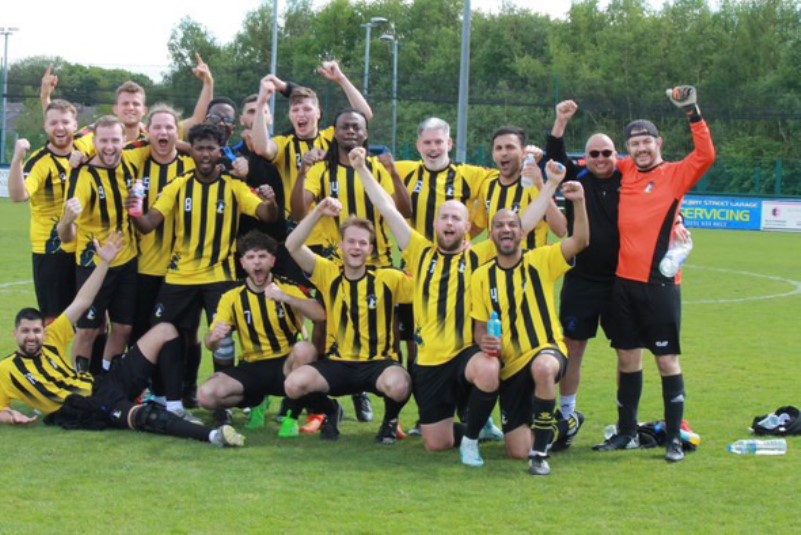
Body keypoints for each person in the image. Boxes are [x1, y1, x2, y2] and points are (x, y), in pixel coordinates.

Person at [349, 146, 561, 460]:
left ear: (466, 227)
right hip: (431, 361)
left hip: (466, 354)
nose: (449, 223)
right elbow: (387, 208)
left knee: (489, 368)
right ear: (435, 225)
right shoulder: (419, 251)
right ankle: (477, 429)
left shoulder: (480, 254)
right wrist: (361, 169)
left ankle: (473, 437)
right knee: (436, 443)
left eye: (456, 218)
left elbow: (526, 222)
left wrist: (551, 185)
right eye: (444, 217)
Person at [0, 232, 244, 448]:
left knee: (166, 330)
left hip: (101, 383)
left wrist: (104, 263)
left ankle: (173, 405)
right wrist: (9, 416)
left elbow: (82, 302)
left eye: (35, 331)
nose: (32, 337)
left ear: (43, 331)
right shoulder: (6, 369)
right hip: (85, 406)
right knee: (147, 418)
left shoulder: (51, 338)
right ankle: (213, 435)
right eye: (25, 332)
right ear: (15, 335)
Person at [593, 86, 716, 463]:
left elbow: (706, 154)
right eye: (635, 143)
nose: (641, 148)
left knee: (667, 361)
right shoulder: (625, 168)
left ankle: (674, 438)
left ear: (659, 143)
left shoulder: (676, 175)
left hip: (660, 286)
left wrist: (692, 112)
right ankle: (627, 432)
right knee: (627, 359)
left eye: (647, 142)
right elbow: (593, 161)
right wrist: (541, 155)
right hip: (624, 285)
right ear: (628, 149)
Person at [130, 123, 278, 426]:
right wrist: (133, 212)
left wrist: (271, 201)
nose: (206, 154)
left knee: (223, 338)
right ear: (192, 151)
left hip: (219, 276)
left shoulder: (234, 186)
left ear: (219, 152)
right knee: (168, 334)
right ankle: (173, 404)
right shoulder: (179, 185)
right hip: (180, 276)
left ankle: (221, 403)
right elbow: (149, 224)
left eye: (212, 148)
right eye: (200, 148)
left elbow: (266, 215)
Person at [470, 161, 590, 476]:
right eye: (499, 226)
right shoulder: (482, 276)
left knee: (543, 367)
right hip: (510, 367)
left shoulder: (542, 260)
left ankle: (540, 454)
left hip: (546, 350)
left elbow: (579, 242)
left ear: (522, 232)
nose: (506, 230)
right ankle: (565, 425)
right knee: (514, 451)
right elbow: (479, 327)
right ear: (491, 234)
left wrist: (577, 202)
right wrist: (483, 339)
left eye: (512, 225)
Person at [283, 198, 414, 444]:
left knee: (400, 384)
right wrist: (318, 213)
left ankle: (390, 421)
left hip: (378, 363)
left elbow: (429, 282)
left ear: (371, 250)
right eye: (351, 242)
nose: (356, 247)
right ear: (341, 246)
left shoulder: (389, 278)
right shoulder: (327, 272)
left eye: (362, 243)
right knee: (293, 384)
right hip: (339, 364)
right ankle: (331, 411)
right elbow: (292, 245)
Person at [544, 100, 622, 444]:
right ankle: (566, 416)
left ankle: (626, 422)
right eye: (594, 153)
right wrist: (561, 121)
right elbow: (554, 158)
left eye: (607, 153)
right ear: (585, 157)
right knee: (574, 349)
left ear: (616, 154)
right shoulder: (578, 176)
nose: (601, 159)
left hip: (623, 281)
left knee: (627, 352)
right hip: (582, 281)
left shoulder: (629, 178)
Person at [198, 230, 326, 437]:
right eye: (251, 257)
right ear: (243, 264)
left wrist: (286, 298)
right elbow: (210, 345)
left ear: (272, 261)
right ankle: (256, 400)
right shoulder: (232, 297)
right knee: (206, 395)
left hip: (285, 365)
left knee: (305, 349)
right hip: (252, 367)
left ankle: (291, 417)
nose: (257, 263)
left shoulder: (287, 287)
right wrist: (213, 338)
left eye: (262, 257)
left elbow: (320, 315)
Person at [56, 116, 140, 374]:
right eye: (103, 140)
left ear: (124, 141)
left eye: (115, 140)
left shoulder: (131, 160)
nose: (110, 146)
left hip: (127, 260)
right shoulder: (84, 175)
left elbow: (172, 140)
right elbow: (65, 235)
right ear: (94, 142)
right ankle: (78, 384)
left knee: (124, 327)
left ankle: (108, 380)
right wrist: (68, 219)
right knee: (88, 329)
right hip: (94, 265)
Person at [7, 99, 80, 324]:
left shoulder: (85, 147)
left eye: (65, 122)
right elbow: (18, 196)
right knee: (53, 322)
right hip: (51, 251)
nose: (60, 127)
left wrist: (46, 96)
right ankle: (51, 360)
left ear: (76, 125)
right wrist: (18, 158)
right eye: (53, 123)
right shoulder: (38, 163)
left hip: (85, 247)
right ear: (45, 127)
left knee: (93, 322)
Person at [40, 54, 214, 146]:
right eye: (125, 103)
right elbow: (61, 130)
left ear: (144, 110)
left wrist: (208, 83)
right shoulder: (97, 133)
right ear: (115, 109)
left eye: (136, 104)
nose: (130, 107)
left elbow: (198, 120)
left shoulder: (156, 133)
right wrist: (45, 97)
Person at [473, 126, 568, 248]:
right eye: (498, 148)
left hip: (530, 264)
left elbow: (561, 230)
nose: (503, 153)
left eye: (510, 147)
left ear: (523, 153)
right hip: (494, 264)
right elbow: (479, 225)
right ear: (493, 154)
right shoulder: (488, 185)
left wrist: (539, 184)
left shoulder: (535, 184)